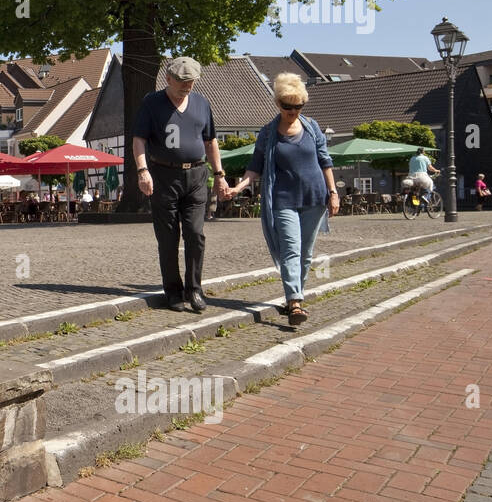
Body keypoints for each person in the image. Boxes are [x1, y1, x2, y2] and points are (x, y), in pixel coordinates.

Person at [229, 74, 339, 326]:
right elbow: (255, 166)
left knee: (306, 253)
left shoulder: (312, 127)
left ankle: (295, 294)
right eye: (287, 106)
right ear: (277, 103)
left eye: (298, 106)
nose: (292, 111)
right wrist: (239, 187)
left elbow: (325, 161)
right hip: (282, 200)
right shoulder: (268, 133)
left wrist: (333, 192)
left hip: (314, 197)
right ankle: (295, 302)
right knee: (290, 249)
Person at [133, 57, 228, 313]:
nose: (187, 86)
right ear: (168, 79)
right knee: (168, 238)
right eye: (182, 82)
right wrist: (143, 171)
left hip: (197, 176)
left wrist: (219, 174)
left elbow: (210, 142)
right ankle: (173, 291)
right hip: (163, 176)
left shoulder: (201, 103)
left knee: (195, 234)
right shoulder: (152, 103)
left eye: (191, 81)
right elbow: (139, 139)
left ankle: (194, 289)